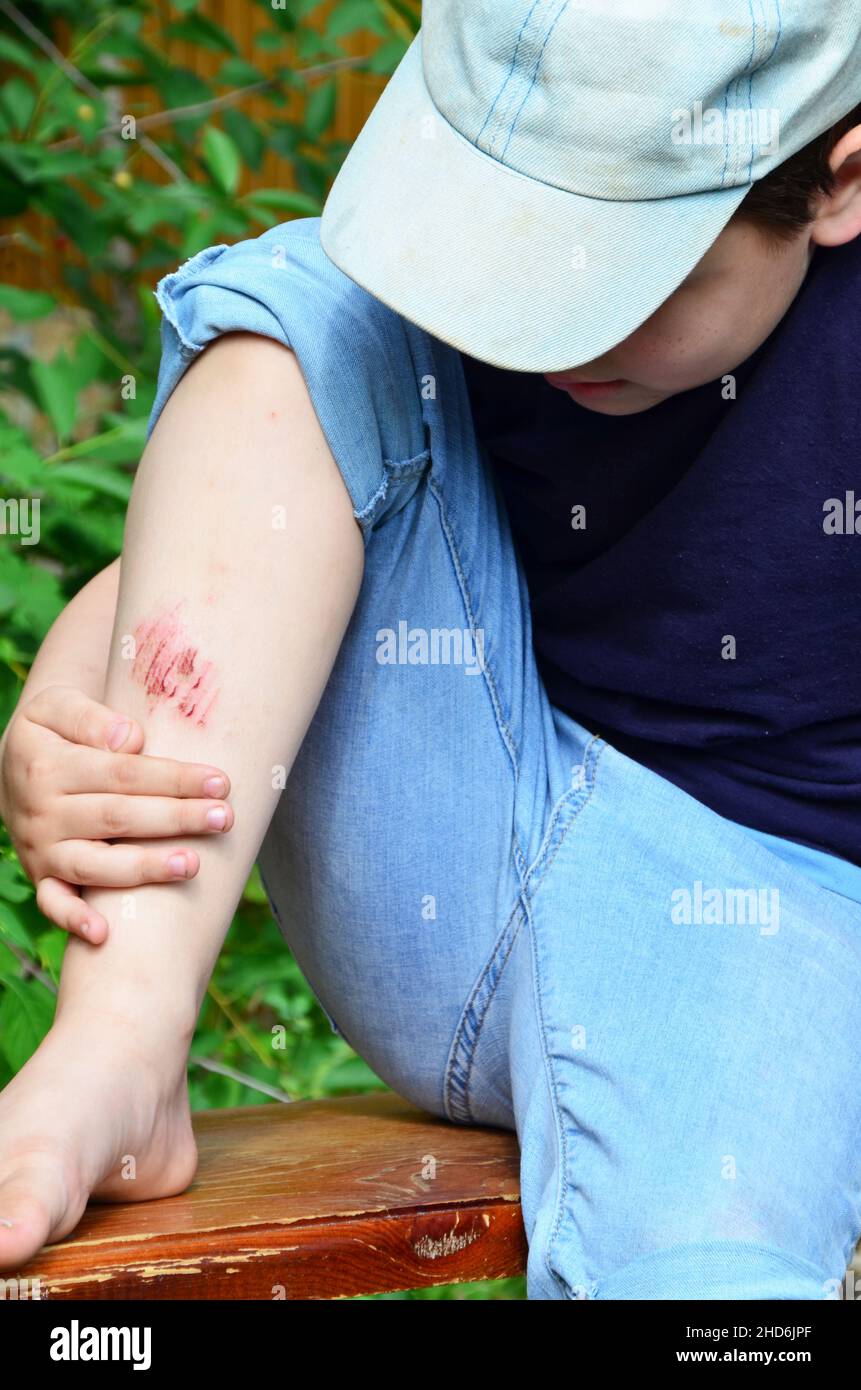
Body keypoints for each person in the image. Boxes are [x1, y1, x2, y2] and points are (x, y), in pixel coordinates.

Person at [1, 0, 860, 1299]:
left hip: (759, 934)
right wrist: (83, 692)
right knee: (305, 318)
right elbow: (275, 520)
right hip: (456, 841)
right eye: (519, 257)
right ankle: (119, 1045)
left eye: (618, 276)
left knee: (707, 1282)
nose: (549, 328)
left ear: (835, 178)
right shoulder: (490, 298)